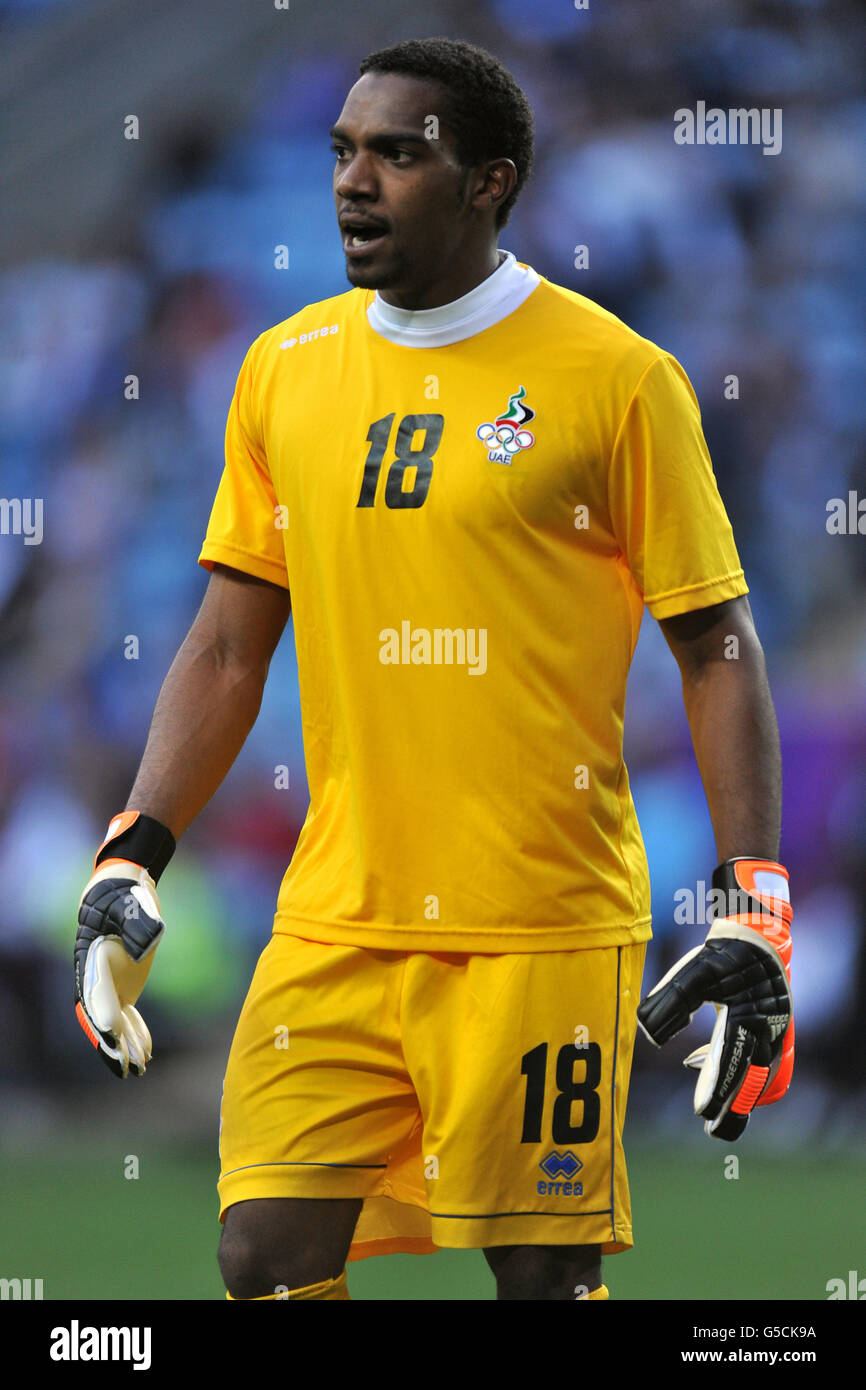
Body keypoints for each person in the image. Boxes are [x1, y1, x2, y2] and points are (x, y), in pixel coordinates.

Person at [73, 37, 794, 1301]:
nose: (355, 180)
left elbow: (715, 647)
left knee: (539, 1279)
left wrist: (755, 903)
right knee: (262, 1252)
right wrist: (134, 845)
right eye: (343, 151)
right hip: (336, 915)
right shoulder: (285, 368)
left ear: (487, 182)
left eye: (399, 154)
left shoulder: (618, 381)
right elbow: (228, 643)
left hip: (539, 923)